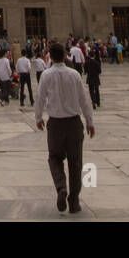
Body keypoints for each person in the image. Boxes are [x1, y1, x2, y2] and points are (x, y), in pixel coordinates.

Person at [34, 42, 95, 214]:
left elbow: (39, 98)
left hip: (55, 124)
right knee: (75, 164)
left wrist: (38, 118)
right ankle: (74, 201)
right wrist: (90, 122)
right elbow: (85, 100)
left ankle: (61, 187)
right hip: (74, 124)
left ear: (50, 57)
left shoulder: (46, 75)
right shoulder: (74, 74)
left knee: (54, 158)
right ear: (65, 56)